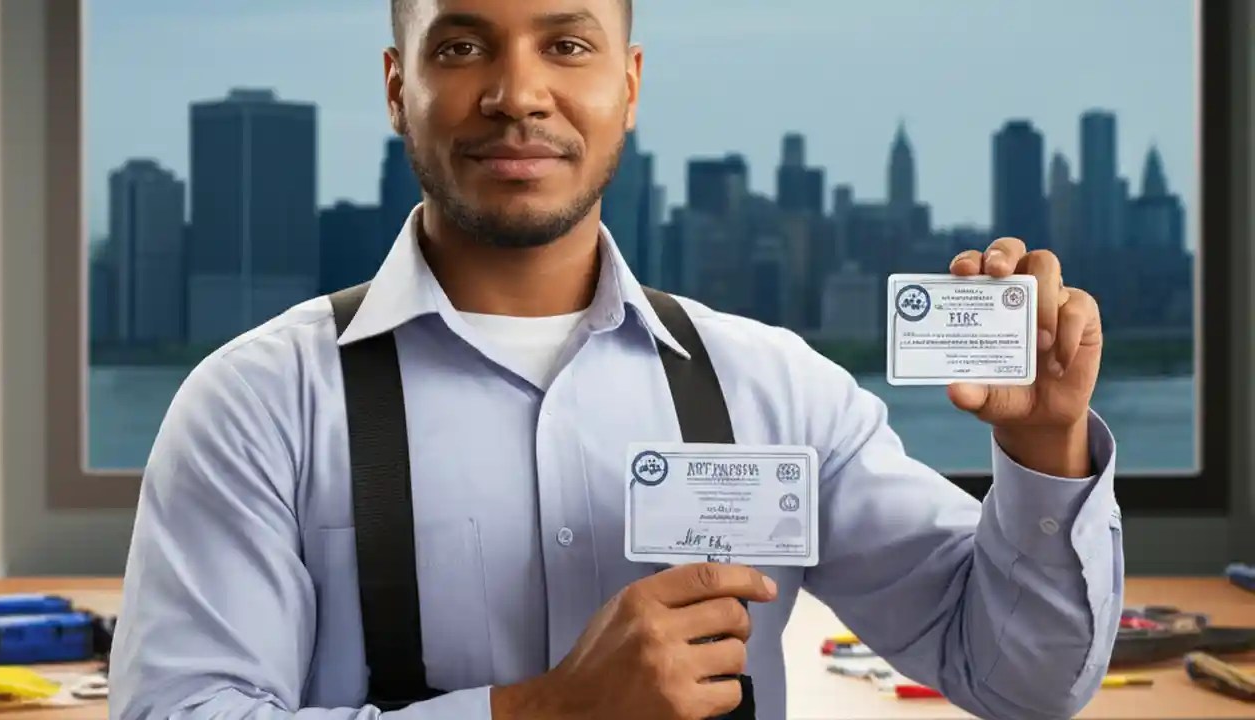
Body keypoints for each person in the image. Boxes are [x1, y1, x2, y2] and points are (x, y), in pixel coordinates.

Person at [107, 0, 1123, 718]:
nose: (517, 93)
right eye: (461, 45)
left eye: (567, 44)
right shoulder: (253, 405)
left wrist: (1043, 449)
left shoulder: (780, 393)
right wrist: (539, 715)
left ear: (626, 85)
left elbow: (1020, 682)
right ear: (395, 87)